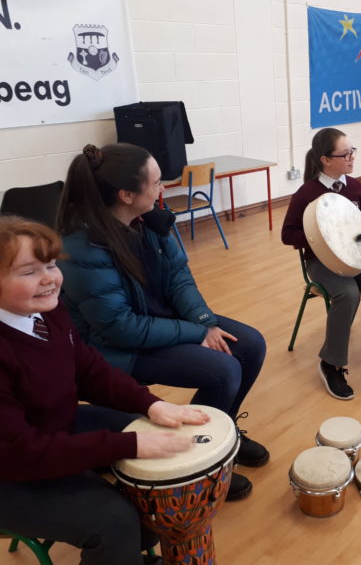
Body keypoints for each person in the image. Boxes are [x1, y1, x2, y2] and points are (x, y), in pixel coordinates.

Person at [56, 143, 268, 501]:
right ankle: (197, 460)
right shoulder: (81, 248)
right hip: (113, 348)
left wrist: (204, 320)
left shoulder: (150, 221)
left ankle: (224, 430)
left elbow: (178, 279)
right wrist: (199, 331)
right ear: (126, 194)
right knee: (224, 370)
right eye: (155, 183)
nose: (163, 188)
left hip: (155, 324)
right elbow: (120, 327)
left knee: (250, 344)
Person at [0, 216, 209, 565]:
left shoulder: (48, 310)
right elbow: (19, 453)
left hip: (54, 428)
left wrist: (151, 404)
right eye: (29, 271)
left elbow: (88, 370)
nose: (50, 278)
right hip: (10, 473)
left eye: (51, 264)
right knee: (114, 521)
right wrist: (127, 445)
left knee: (151, 449)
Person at [281, 127, 361, 400]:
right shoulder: (307, 194)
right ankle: (331, 363)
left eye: (353, 151)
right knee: (347, 294)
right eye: (346, 153)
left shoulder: (353, 186)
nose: (352, 157)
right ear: (326, 159)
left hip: (357, 256)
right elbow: (286, 234)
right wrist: (324, 236)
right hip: (321, 262)